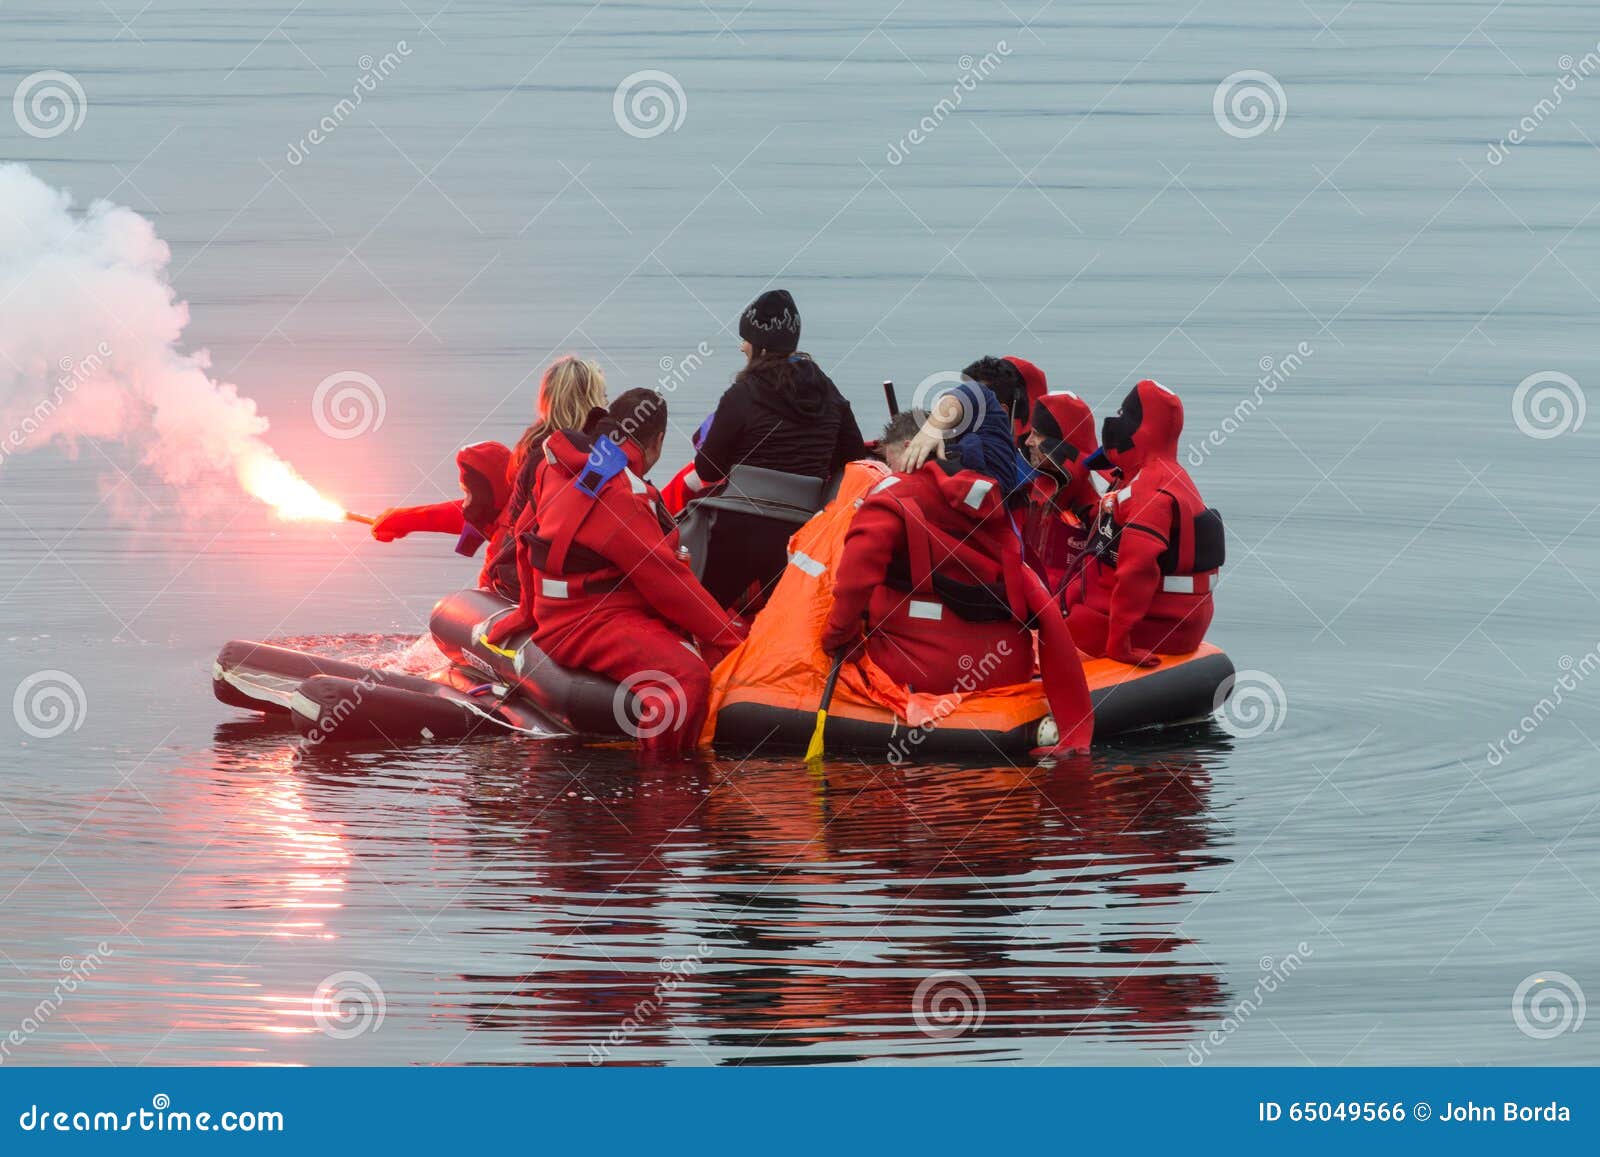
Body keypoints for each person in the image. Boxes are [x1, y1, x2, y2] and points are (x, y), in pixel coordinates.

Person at [485, 389, 748, 758]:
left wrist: (527, 611)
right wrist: (732, 639)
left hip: (555, 612)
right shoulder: (623, 494)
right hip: (588, 622)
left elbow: (525, 538)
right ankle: (663, 785)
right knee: (686, 679)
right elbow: (666, 582)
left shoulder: (556, 466)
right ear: (656, 442)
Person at [819, 412, 1094, 753]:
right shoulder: (991, 493)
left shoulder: (891, 497)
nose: (889, 469)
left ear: (910, 448)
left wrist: (835, 636)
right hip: (1007, 667)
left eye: (889, 460)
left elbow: (854, 580)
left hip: (927, 671)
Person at [677, 289, 866, 608]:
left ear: (760, 346)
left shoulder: (741, 395)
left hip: (739, 531)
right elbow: (854, 459)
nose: (741, 346)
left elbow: (708, 469)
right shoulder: (831, 394)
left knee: (701, 612)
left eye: (746, 339)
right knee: (787, 625)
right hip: (801, 536)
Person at [368, 355, 607, 597]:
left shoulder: (530, 453)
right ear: (592, 399)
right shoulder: (600, 461)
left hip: (517, 585)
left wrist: (406, 519)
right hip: (532, 589)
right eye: (604, 395)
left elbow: (486, 513)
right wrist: (405, 519)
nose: (607, 403)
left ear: (546, 400)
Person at [1064, 379, 1224, 666]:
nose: (1114, 422)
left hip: (1149, 630)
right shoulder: (1163, 477)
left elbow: (1138, 568)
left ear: (1144, 429)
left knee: (1045, 629)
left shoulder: (1151, 489)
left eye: (1124, 415)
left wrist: (1119, 643)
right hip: (1178, 625)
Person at [897, 363, 1036, 505]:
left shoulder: (1004, 460)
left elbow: (975, 392)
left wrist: (931, 429)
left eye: (971, 403)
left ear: (1000, 410)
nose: (960, 404)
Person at [1023, 390, 1100, 593]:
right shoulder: (1036, 482)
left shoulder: (1100, 495)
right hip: (1037, 596)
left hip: (1068, 606)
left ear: (1061, 445)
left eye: (1037, 435)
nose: (1027, 442)